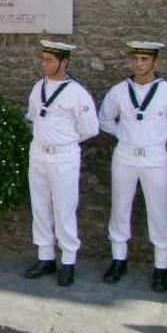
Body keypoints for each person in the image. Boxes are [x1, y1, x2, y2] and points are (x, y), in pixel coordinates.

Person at [98, 41, 167, 292]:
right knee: (120, 207)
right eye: (136, 58)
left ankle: (161, 267)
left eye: (145, 59)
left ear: (155, 62)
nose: (139, 64)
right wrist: (125, 135)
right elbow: (105, 119)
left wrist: (155, 137)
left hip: (154, 158)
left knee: (159, 210)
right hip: (125, 156)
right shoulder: (119, 91)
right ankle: (119, 259)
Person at [23, 41, 99, 287]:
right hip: (39, 154)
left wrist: (64, 142)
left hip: (64, 156)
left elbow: (89, 129)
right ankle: (45, 256)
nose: (44, 64)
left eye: (50, 60)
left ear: (64, 62)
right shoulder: (38, 87)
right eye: (43, 59)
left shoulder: (77, 93)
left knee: (64, 208)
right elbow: (33, 117)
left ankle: (68, 260)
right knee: (40, 206)